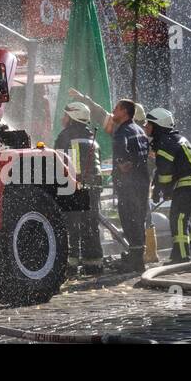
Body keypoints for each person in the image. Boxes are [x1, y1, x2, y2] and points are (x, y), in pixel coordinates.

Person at [68, 89, 150, 273]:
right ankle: (137, 257)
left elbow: (123, 158)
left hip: (129, 185)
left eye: (117, 108)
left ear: (125, 112)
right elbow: (148, 157)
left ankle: (135, 261)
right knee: (138, 220)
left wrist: (122, 165)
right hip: (142, 183)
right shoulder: (139, 131)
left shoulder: (122, 132)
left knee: (129, 219)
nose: (113, 110)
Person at [144, 107, 191, 264]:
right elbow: (162, 170)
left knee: (177, 218)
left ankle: (181, 257)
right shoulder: (169, 139)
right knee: (182, 217)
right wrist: (160, 189)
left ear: (158, 126)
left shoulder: (165, 143)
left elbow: (164, 173)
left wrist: (163, 191)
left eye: (149, 124)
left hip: (188, 180)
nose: (146, 127)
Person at [55, 100, 104, 276]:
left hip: (74, 188)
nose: (63, 119)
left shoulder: (65, 136)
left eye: (65, 115)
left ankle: (70, 265)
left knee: (71, 226)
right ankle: (94, 264)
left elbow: (59, 164)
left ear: (72, 117)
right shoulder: (91, 137)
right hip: (93, 189)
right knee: (90, 225)